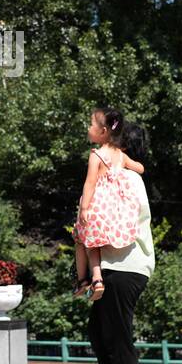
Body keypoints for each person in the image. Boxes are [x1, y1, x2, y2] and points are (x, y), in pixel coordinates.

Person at [85, 121, 154, 364]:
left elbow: (115, 220)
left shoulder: (126, 178)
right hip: (116, 265)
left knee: (118, 333)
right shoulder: (121, 176)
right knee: (99, 331)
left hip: (127, 266)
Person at [72, 107, 144, 301]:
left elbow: (90, 182)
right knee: (95, 242)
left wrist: (84, 209)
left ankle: (88, 280)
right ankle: (95, 281)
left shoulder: (96, 155)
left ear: (103, 132)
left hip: (97, 207)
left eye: (91, 124)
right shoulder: (121, 156)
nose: (88, 128)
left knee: (84, 242)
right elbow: (140, 168)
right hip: (116, 212)